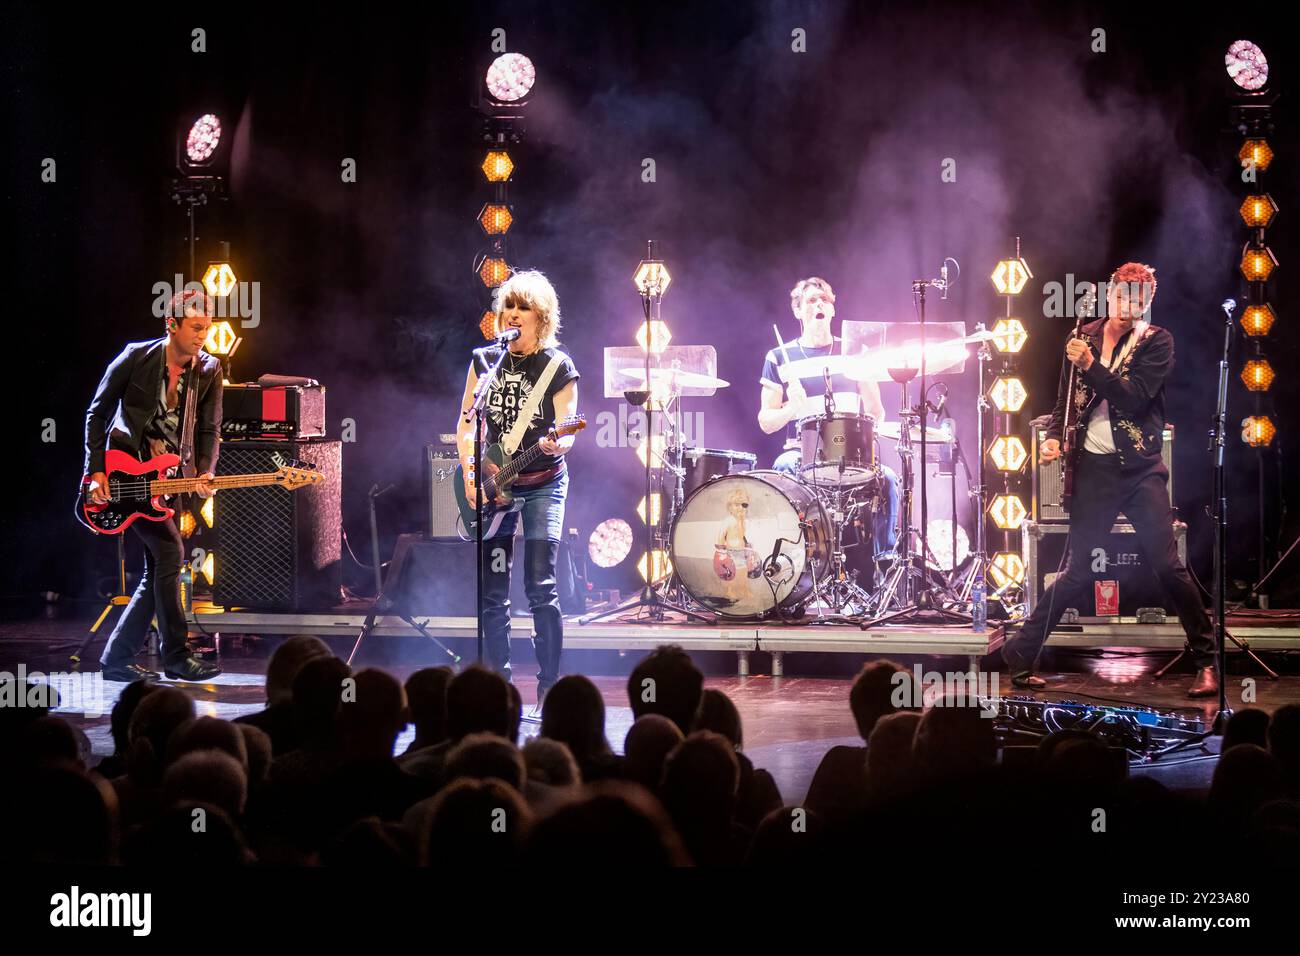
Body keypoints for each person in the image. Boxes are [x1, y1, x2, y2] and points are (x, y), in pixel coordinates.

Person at [999, 262, 1217, 698]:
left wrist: (1093, 365)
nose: (1126, 306)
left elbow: (1134, 398)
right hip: (1095, 469)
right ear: (1109, 294)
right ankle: (1021, 654)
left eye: (1137, 299)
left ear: (1148, 302)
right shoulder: (1086, 335)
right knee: (1076, 573)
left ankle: (1205, 662)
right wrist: (1057, 439)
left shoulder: (1157, 342)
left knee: (1168, 566)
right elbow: (1067, 398)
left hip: (1139, 469)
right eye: (1120, 296)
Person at [456, 270, 579, 711]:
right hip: (495, 490)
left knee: (541, 586)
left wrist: (556, 442)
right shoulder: (484, 362)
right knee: (492, 592)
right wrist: (470, 474)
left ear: (541, 318)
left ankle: (550, 688)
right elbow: (466, 422)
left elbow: (567, 430)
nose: (513, 314)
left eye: (523, 307)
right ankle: (498, 689)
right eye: (508, 306)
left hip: (544, 484)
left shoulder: (558, 366)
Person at [85, 288, 223, 682]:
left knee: (160, 568)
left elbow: (210, 429)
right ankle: (176, 656)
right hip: (125, 474)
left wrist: (206, 471)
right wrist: (96, 472)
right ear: (172, 325)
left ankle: (116, 659)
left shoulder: (209, 369)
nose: (202, 337)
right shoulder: (135, 356)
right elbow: (97, 414)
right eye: (195, 328)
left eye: (207, 330)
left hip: (170, 480)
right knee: (169, 553)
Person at [757, 276, 899, 557]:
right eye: (810, 300)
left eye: (824, 300)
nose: (818, 304)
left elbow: (875, 410)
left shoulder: (856, 352)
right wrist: (791, 408)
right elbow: (766, 421)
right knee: (781, 467)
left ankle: (886, 561)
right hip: (801, 456)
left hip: (851, 456)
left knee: (889, 480)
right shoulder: (779, 357)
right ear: (798, 311)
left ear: (833, 309)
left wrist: (866, 446)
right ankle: (791, 561)